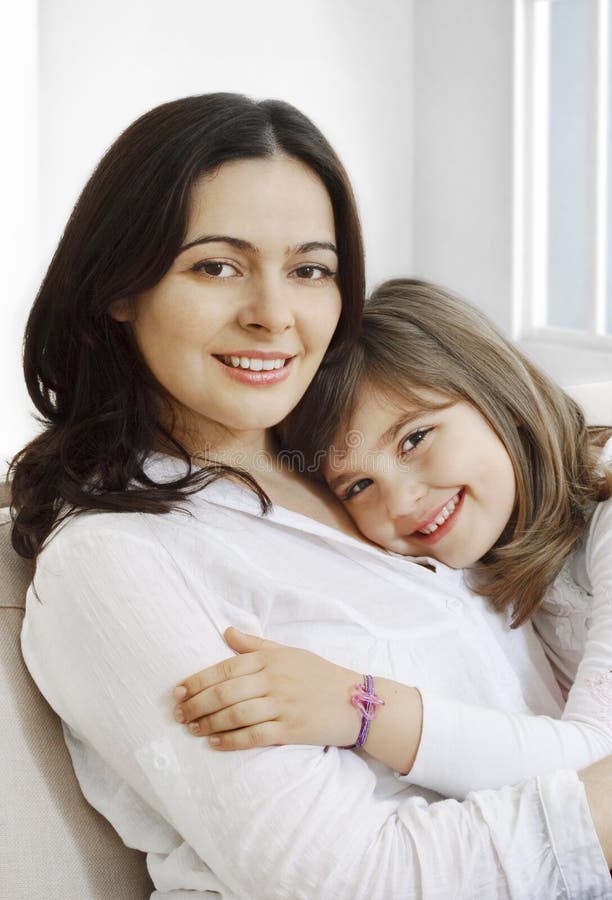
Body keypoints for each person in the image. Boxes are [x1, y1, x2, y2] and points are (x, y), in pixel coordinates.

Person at [10, 96, 612, 898]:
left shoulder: (353, 462)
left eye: (310, 270)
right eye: (216, 266)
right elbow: (348, 879)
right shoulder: (118, 561)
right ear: (120, 286)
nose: (273, 316)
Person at [175, 279, 612, 804]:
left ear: (500, 396)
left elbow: (596, 769)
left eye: (414, 439)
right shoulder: (487, 552)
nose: (401, 503)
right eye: (358, 486)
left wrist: (359, 707)